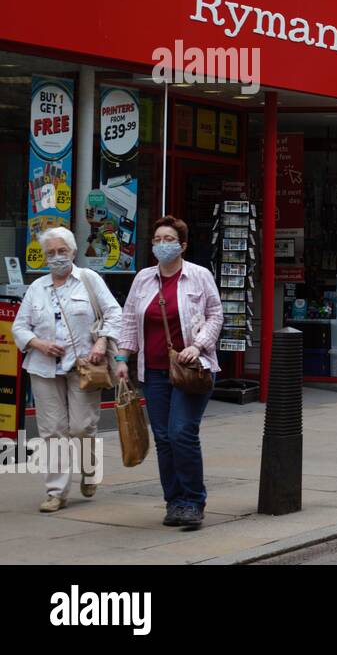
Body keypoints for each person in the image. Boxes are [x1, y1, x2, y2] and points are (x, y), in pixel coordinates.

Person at [116, 216, 223, 529]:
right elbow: (128, 320)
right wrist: (123, 357)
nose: (162, 245)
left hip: (192, 370)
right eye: (157, 239)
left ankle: (193, 500)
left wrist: (200, 345)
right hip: (154, 373)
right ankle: (174, 501)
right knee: (163, 438)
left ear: (183, 245)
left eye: (169, 239)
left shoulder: (199, 276)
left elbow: (216, 314)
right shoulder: (143, 279)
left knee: (181, 432)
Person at [12, 227, 122, 513]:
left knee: (81, 426)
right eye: (51, 253)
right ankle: (55, 492)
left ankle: (89, 467)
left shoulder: (89, 280)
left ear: (73, 252)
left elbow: (114, 312)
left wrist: (100, 342)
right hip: (43, 368)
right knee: (52, 431)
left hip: (85, 366)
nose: (57, 257)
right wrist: (39, 343)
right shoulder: (37, 288)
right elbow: (19, 328)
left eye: (62, 251)